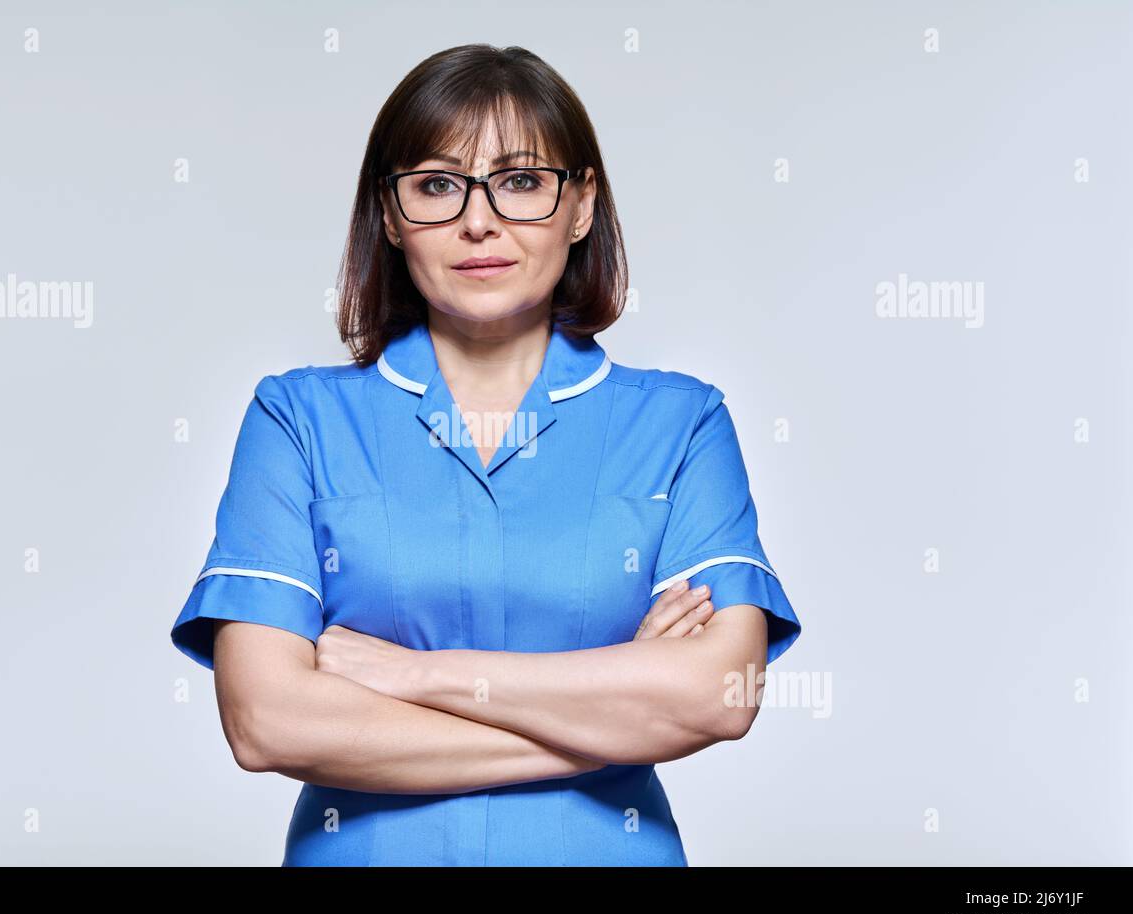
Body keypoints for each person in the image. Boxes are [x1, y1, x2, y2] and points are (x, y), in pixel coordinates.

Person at [171, 43, 802, 866]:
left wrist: (412, 675)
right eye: (436, 185)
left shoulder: (681, 425)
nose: (479, 220)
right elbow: (266, 722)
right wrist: (612, 712)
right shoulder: (298, 419)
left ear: (580, 206)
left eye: (522, 181)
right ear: (391, 215)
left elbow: (720, 696)